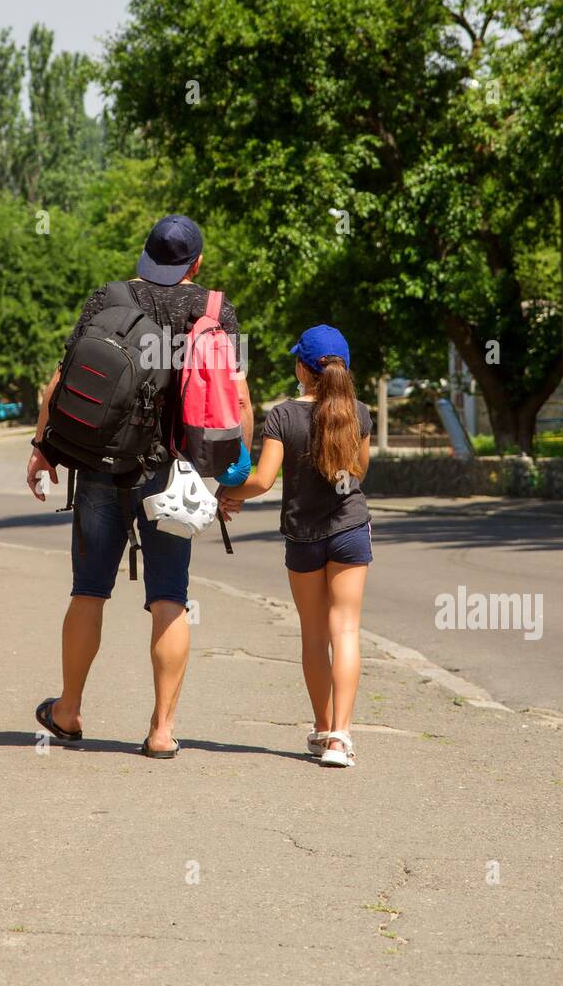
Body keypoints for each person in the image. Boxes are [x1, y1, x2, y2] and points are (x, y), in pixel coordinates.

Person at [27, 215, 254, 758]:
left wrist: (42, 447)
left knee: (88, 590)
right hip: (175, 472)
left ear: (145, 255)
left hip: (100, 465)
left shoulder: (106, 297)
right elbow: (239, 402)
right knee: (170, 597)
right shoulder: (216, 312)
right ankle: (161, 731)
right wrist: (232, 479)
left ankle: (69, 709)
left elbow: (62, 380)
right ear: (196, 264)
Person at [218, 326, 372, 769]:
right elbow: (358, 472)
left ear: (303, 368)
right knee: (345, 630)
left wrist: (228, 496)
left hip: (303, 536)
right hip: (350, 530)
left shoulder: (283, 415)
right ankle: (341, 739)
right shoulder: (360, 412)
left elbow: (263, 481)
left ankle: (323, 728)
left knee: (314, 633)